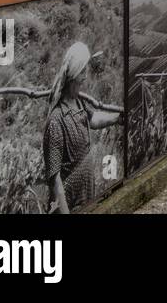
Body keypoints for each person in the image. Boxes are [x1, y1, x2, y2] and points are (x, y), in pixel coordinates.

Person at [43, 42, 122, 214]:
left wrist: (117, 118)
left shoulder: (78, 103)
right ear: (75, 74)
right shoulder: (56, 121)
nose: (86, 77)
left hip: (86, 195)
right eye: (83, 72)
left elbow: (92, 119)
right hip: (69, 204)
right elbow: (55, 180)